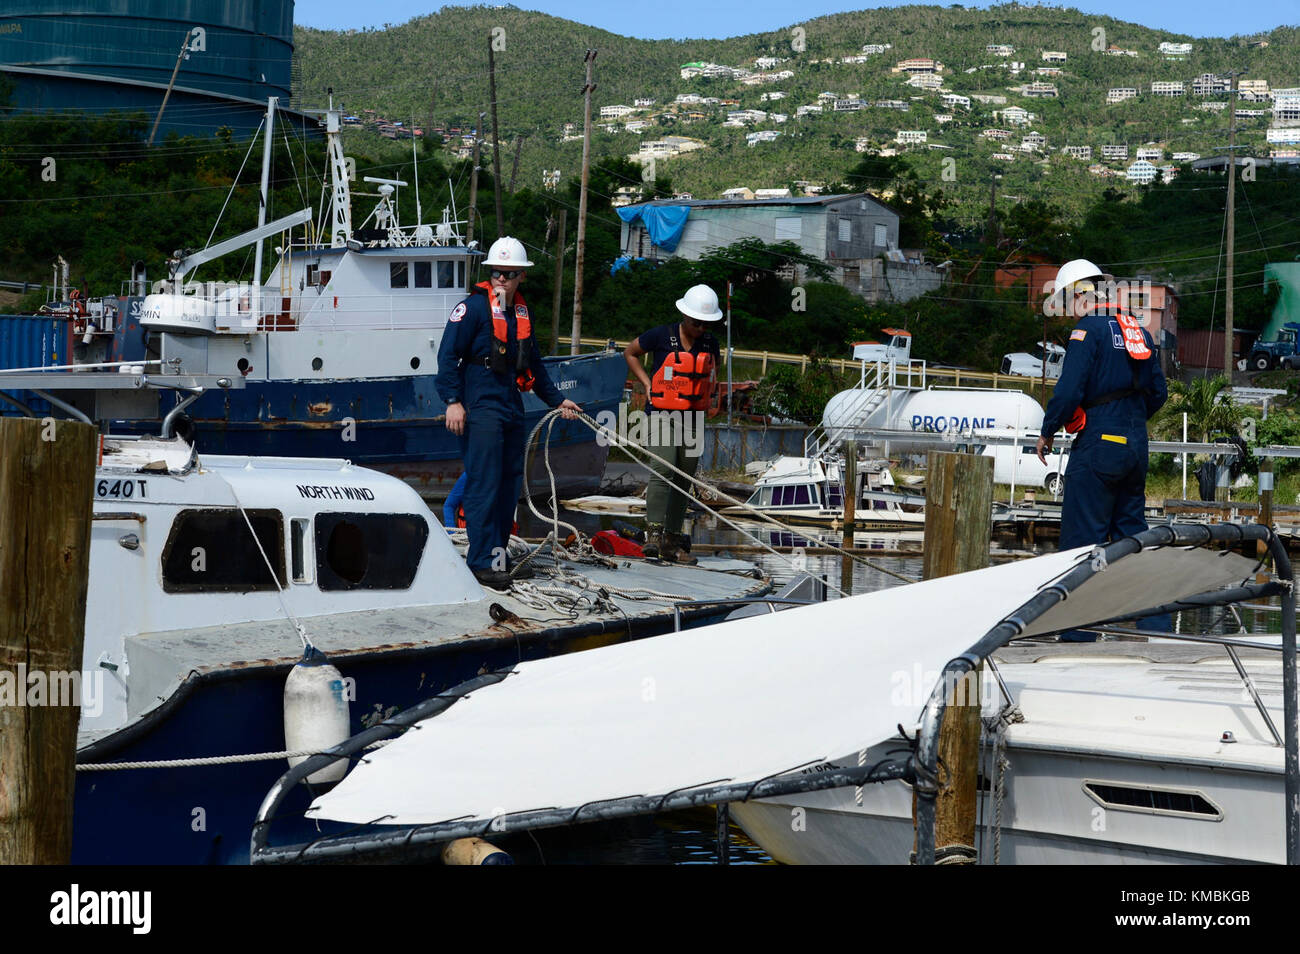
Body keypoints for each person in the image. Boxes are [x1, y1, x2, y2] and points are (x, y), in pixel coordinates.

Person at [436, 237, 582, 589]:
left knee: (508, 483)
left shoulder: (521, 314)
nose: (502, 278)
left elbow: (534, 363)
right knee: (484, 482)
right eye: (497, 272)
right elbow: (447, 357)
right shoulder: (471, 309)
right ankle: (481, 561)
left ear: (521, 277)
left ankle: (499, 555)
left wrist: (556, 400)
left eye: (509, 273)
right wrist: (453, 401)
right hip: (481, 403)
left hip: (510, 404)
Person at [1036, 259, 1168, 640]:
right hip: (1135, 445)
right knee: (1133, 541)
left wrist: (1049, 429)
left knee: (1081, 543)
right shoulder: (1138, 331)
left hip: (1098, 445)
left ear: (1081, 293)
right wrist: (1128, 419)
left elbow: (1067, 391)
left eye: (1068, 298)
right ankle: (1157, 630)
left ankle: (1077, 635)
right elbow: (1158, 393)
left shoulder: (1087, 331)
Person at [623, 284, 723, 563]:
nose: (701, 327)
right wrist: (647, 384)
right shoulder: (660, 335)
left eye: (706, 323)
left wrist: (711, 401)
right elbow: (630, 353)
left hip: (693, 416)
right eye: (696, 322)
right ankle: (652, 535)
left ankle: (672, 539)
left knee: (684, 478)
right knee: (663, 468)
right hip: (660, 412)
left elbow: (713, 375)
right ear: (685, 316)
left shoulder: (710, 342)